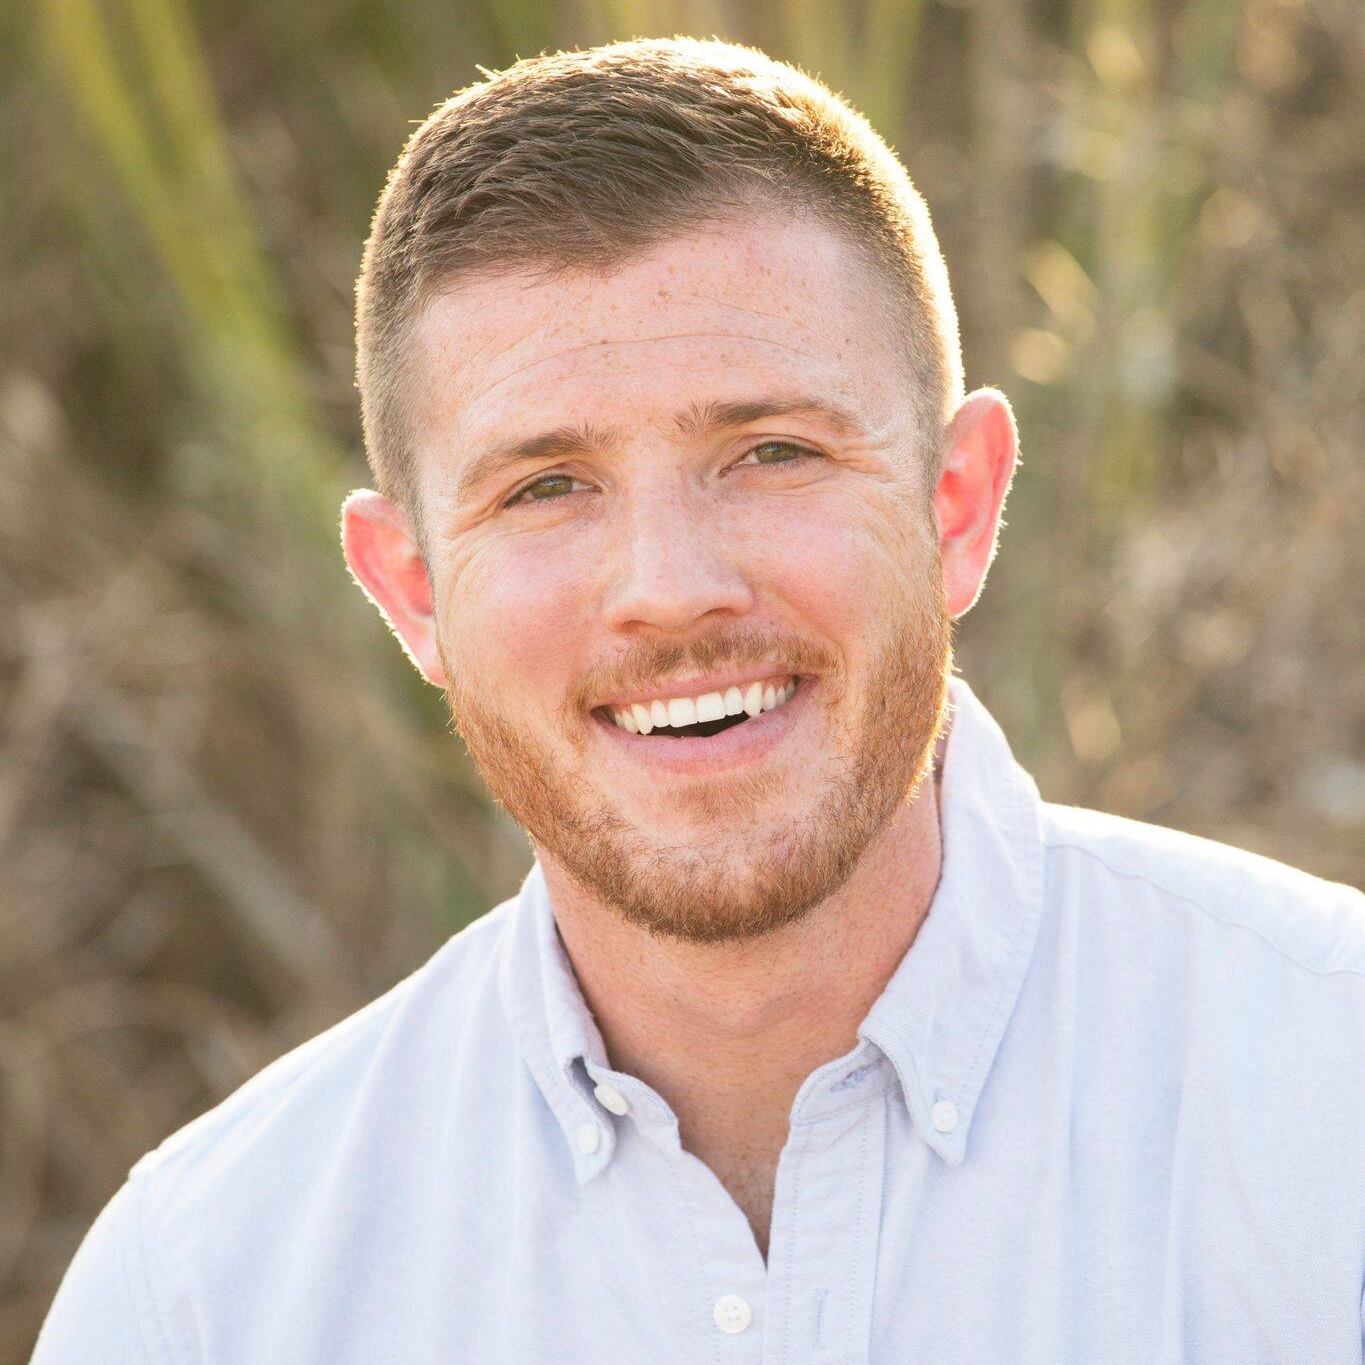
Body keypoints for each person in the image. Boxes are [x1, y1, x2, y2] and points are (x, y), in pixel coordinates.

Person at [33, 37, 1364, 1365]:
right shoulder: (207, 1295)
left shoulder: (1330, 1102)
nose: (669, 590)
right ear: (410, 590)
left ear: (956, 505)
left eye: (770, 451)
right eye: (544, 487)